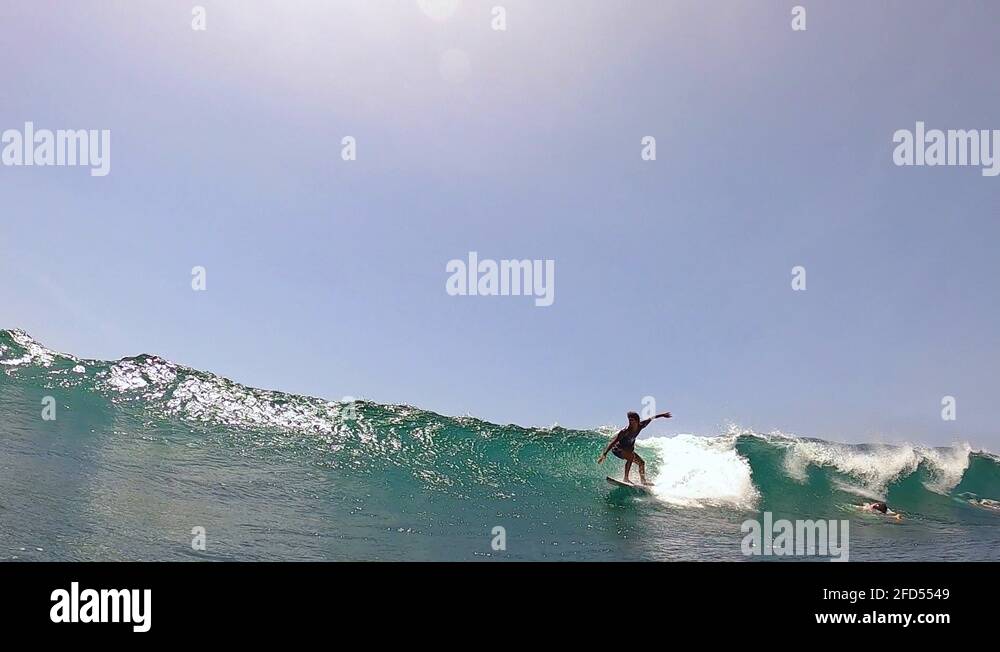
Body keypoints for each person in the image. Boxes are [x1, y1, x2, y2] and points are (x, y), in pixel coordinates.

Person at [597, 410, 671, 485]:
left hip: (627, 451)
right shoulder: (625, 431)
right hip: (617, 449)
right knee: (631, 456)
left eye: (632, 420)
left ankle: (643, 481)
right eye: (629, 420)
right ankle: (626, 478)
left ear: (637, 420)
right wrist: (604, 454)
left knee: (641, 463)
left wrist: (662, 415)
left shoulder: (641, 425)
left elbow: (651, 418)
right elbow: (613, 442)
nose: (630, 422)